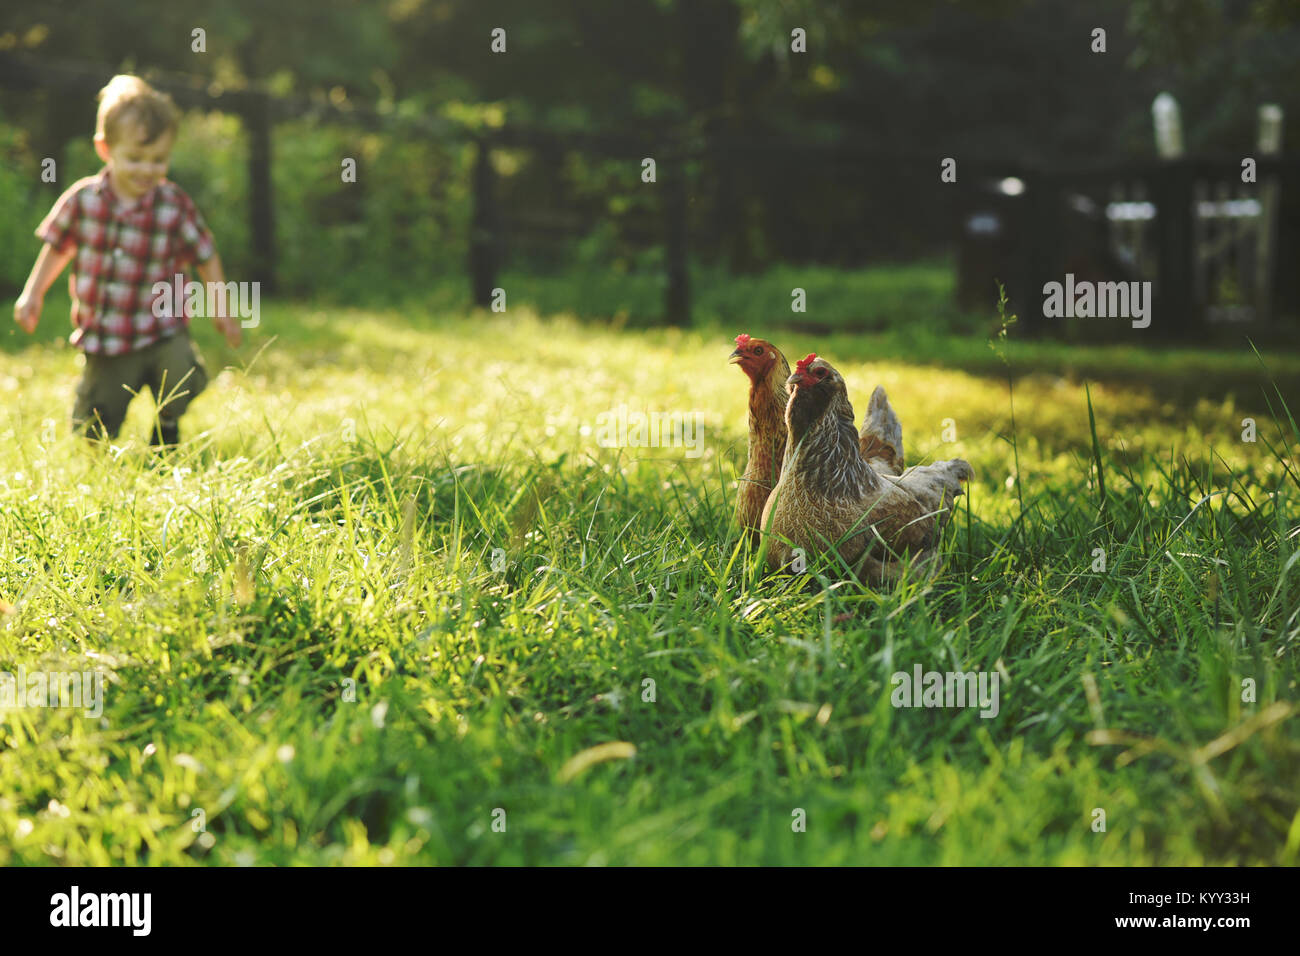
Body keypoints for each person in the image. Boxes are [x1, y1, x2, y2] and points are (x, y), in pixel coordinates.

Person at [12, 74, 241, 446]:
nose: (147, 170)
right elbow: (58, 247)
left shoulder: (173, 204)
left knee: (180, 378)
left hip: (164, 329)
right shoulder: (83, 201)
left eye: (158, 159)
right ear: (105, 149)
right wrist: (33, 293)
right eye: (135, 158)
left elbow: (205, 253)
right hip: (108, 336)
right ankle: (99, 435)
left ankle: (166, 427)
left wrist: (222, 307)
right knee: (93, 429)